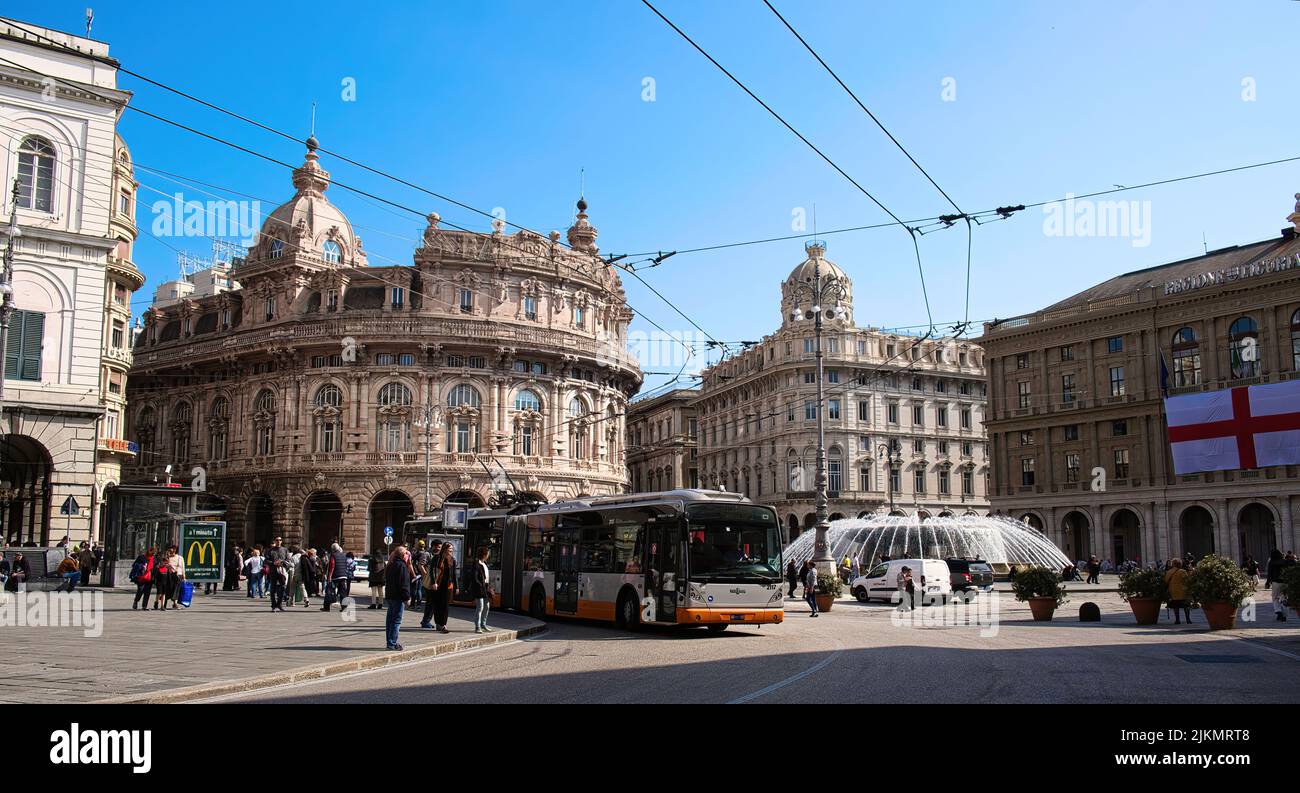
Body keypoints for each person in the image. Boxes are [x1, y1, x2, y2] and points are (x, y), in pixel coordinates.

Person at [383, 544, 411, 651]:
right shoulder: (402, 566)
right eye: (407, 554)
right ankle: (392, 643)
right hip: (398, 597)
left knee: (390, 620)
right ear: (403, 555)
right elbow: (403, 584)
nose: (408, 556)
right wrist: (407, 598)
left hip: (390, 596)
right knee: (396, 621)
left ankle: (389, 641)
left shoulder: (391, 565)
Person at [428, 541, 457, 633]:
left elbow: (454, 574)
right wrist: (433, 582)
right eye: (449, 550)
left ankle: (443, 624)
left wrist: (456, 586)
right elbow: (431, 571)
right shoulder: (437, 558)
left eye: (452, 550)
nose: (451, 551)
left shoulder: (452, 560)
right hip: (438, 584)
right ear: (445, 549)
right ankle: (438, 623)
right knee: (437, 605)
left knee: (445, 606)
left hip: (448, 585)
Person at [1265, 549, 1294, 622]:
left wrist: (1267, 582)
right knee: (1284, 597)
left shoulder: (1272, 562)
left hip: (1276, 582)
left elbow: (1269, 573)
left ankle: (1279, 612)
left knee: (1275, 598)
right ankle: (1284, 615)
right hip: (1285, 582)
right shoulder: (1285, 561)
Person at [322, 542, 350, 612]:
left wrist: (329, 577)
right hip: (343, 576)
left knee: (329, 591)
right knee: (343, 592)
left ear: (332, 549)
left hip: (335, 576)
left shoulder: (333, 555)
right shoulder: (344, 555)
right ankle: (344, 607)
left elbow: (332, 565)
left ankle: (326, 607)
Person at [1164, 558, 1192, 624]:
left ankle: (1177, 620)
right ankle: (1188, 619)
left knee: (1176, 606)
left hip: (1173, 591)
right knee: (1186, 606)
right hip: (1183, 591)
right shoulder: (1183, 571)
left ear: (1173, 564)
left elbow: (1165, 581)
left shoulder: (1169, 572)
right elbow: (1187, 580)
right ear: (1180, 564)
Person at [264, 537, 289, 612]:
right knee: (273, 589)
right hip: (273, 571)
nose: (278, 541)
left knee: (283, 588)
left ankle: (279, 604)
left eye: (280, 540)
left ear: (282, 541)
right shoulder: (270, 550)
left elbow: (288, 560)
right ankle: (273, 605)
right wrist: (273, 563)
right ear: (275, 541)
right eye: (277, 540)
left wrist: (282, 562)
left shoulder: (285, 550)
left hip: (282, 571)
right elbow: (266, 560)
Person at [410, 540, 430, 608]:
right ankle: (418, 605)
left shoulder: (416, 554)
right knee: (419, 589)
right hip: (421, 574)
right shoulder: (426, 553)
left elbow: (412, 562)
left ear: (418, 545)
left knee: (414, 589)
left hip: (415, 573)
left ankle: (412, 604)